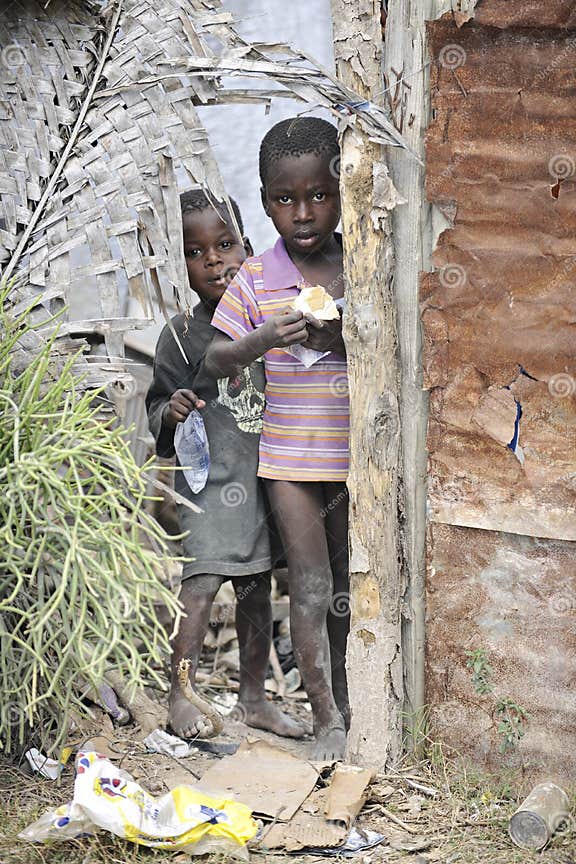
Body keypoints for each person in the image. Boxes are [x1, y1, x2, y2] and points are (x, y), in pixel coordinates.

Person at [206, 117, 350, 760]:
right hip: (289, 462)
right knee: (313, 586)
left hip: (358, 463)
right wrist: (264, 338)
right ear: (265, 202)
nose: (302, 213)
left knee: (353, 587)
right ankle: (327, 720)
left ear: (342, 191)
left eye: (318, 194)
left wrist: (339, 336)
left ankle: (355, 701)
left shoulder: (361, 266)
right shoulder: (257, 278)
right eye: (285, 200)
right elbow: (213, 360)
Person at [146, 189, 304, 742]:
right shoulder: (180, 336)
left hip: (267, 479)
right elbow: (156, 417)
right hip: (211, 484)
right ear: (178, 262)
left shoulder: (273, 320)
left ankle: (254, 698)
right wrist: (171, 410)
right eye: (195, 251)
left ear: (249, 246)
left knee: (258, 587)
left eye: (226, 244)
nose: (214, 260)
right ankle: (180, 692)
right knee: (202, 583)